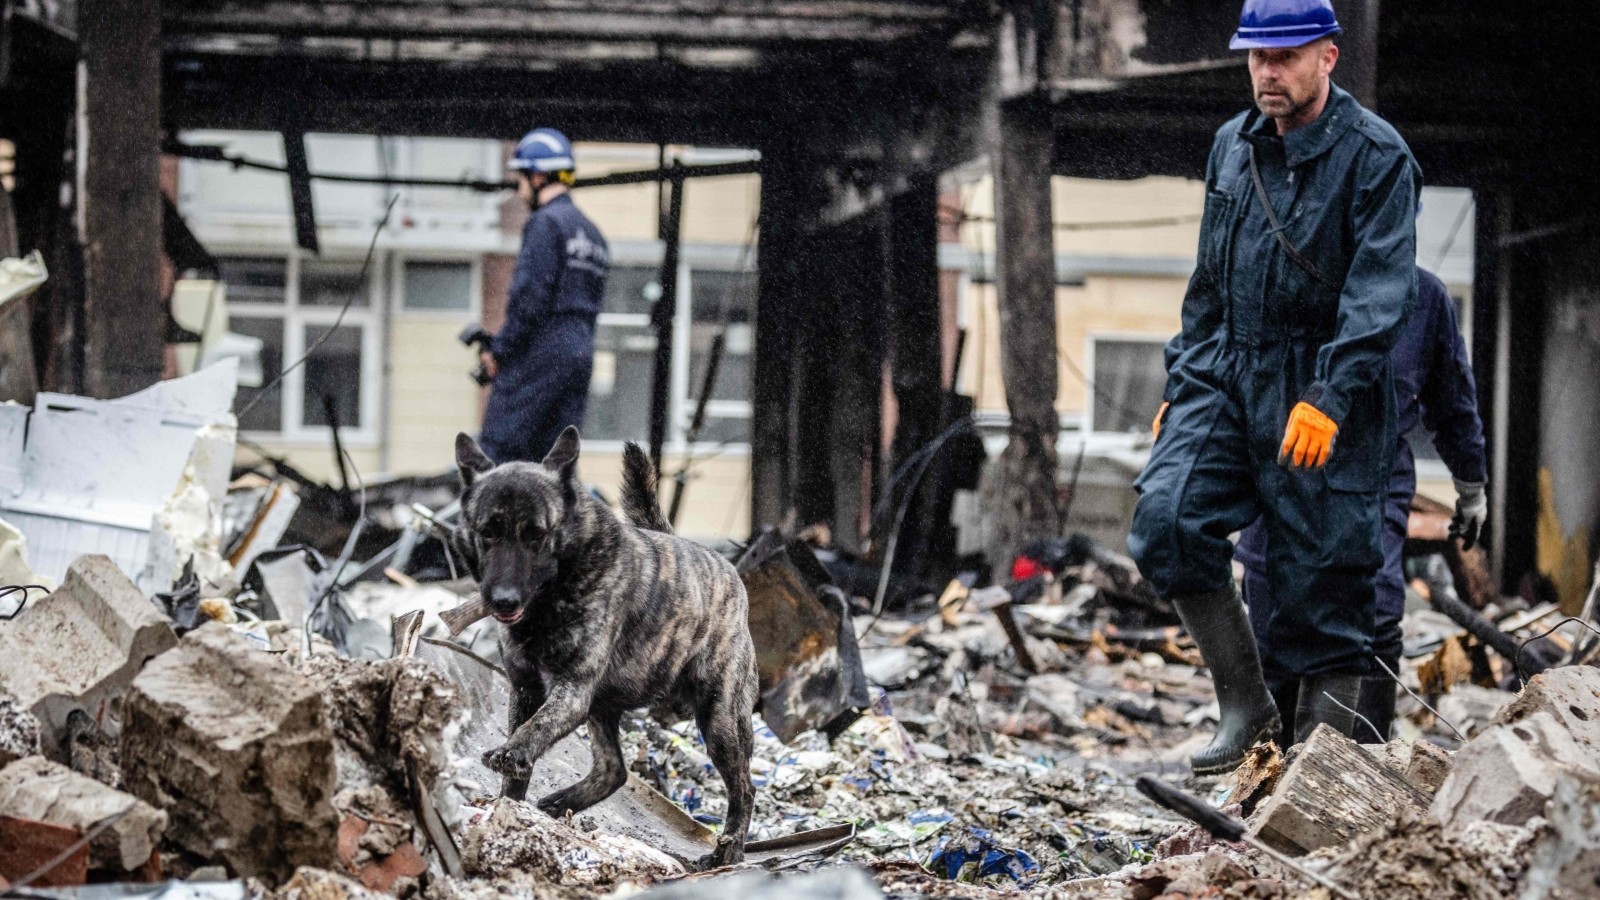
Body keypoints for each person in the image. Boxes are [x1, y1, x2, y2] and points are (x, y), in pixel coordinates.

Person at [1128, 0, 1422, 774]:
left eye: (1285, 56)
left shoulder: (1377, 156)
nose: (1267, 72)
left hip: (1323, 387)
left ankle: (1314, 778)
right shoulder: (1232, 146)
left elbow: (1379, 296)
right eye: (1257, 56)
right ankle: (1245, 704)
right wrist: (1183, 380)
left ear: (1327, 56)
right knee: (1168, 518)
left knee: (1319, 591)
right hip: (1229, 370)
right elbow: (1208, 283)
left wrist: (1330, 395)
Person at [1235, 265, 1487, 744]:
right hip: (1284, 474)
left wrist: (1470, 486)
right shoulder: (1286, 276)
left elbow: (1452, 401)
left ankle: (1355, 777)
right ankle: (1266, 787)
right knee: (1274, 626)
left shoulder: (1425, 298)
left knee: (1371, 622)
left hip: (1374, 482)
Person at [479, 128, 610, 463]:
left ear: (538, 176)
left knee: (496, 455)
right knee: (556, 464)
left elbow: (528, 299)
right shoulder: (594, 234)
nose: (520, 190)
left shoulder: (546, 224)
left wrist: (500, 351)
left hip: (543, 350)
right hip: (579, 353)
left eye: (521, 179)